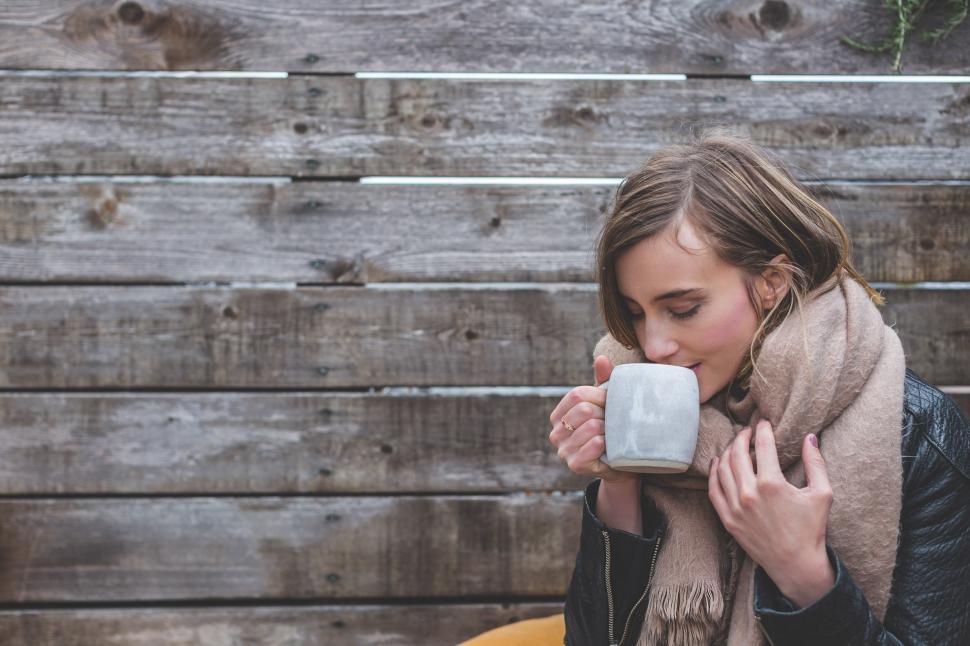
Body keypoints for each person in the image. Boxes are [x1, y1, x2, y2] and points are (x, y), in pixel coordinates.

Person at [460, 129, 970, 645]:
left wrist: (801, 571)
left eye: (683, 309)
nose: (654, 344)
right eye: (635, 313)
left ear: (771, 283)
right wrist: (620, 484)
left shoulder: (917, 435)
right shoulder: (648, 408)